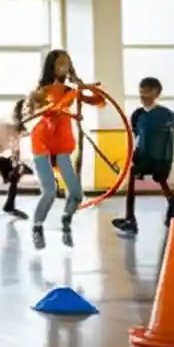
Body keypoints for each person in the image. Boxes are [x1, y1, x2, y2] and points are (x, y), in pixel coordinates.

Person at [25, 49, 103, 246]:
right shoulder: (40, 90)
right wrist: (46, 107)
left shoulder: (71, 90)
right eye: (60, 63)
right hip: (42, 141)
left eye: (67, 63)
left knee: (76, 193)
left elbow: (100, 102)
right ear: (52, 66)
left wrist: (87, 87)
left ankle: (66, 219)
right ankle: (37, 227)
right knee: (49, 192)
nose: (64, 67)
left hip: (61, 143)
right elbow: (32, 112)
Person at [112, 76, 174, 234]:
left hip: (161, 158)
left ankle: (173, 203)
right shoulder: (137, 115)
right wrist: (127, 158)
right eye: (141, 93)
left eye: (148, 93)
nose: (144, 97)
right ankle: (130, 219)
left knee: (160, 179)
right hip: (144, 157)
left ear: (156, 94)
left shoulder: (167, 114)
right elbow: (135, 138)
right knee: (133, 174)